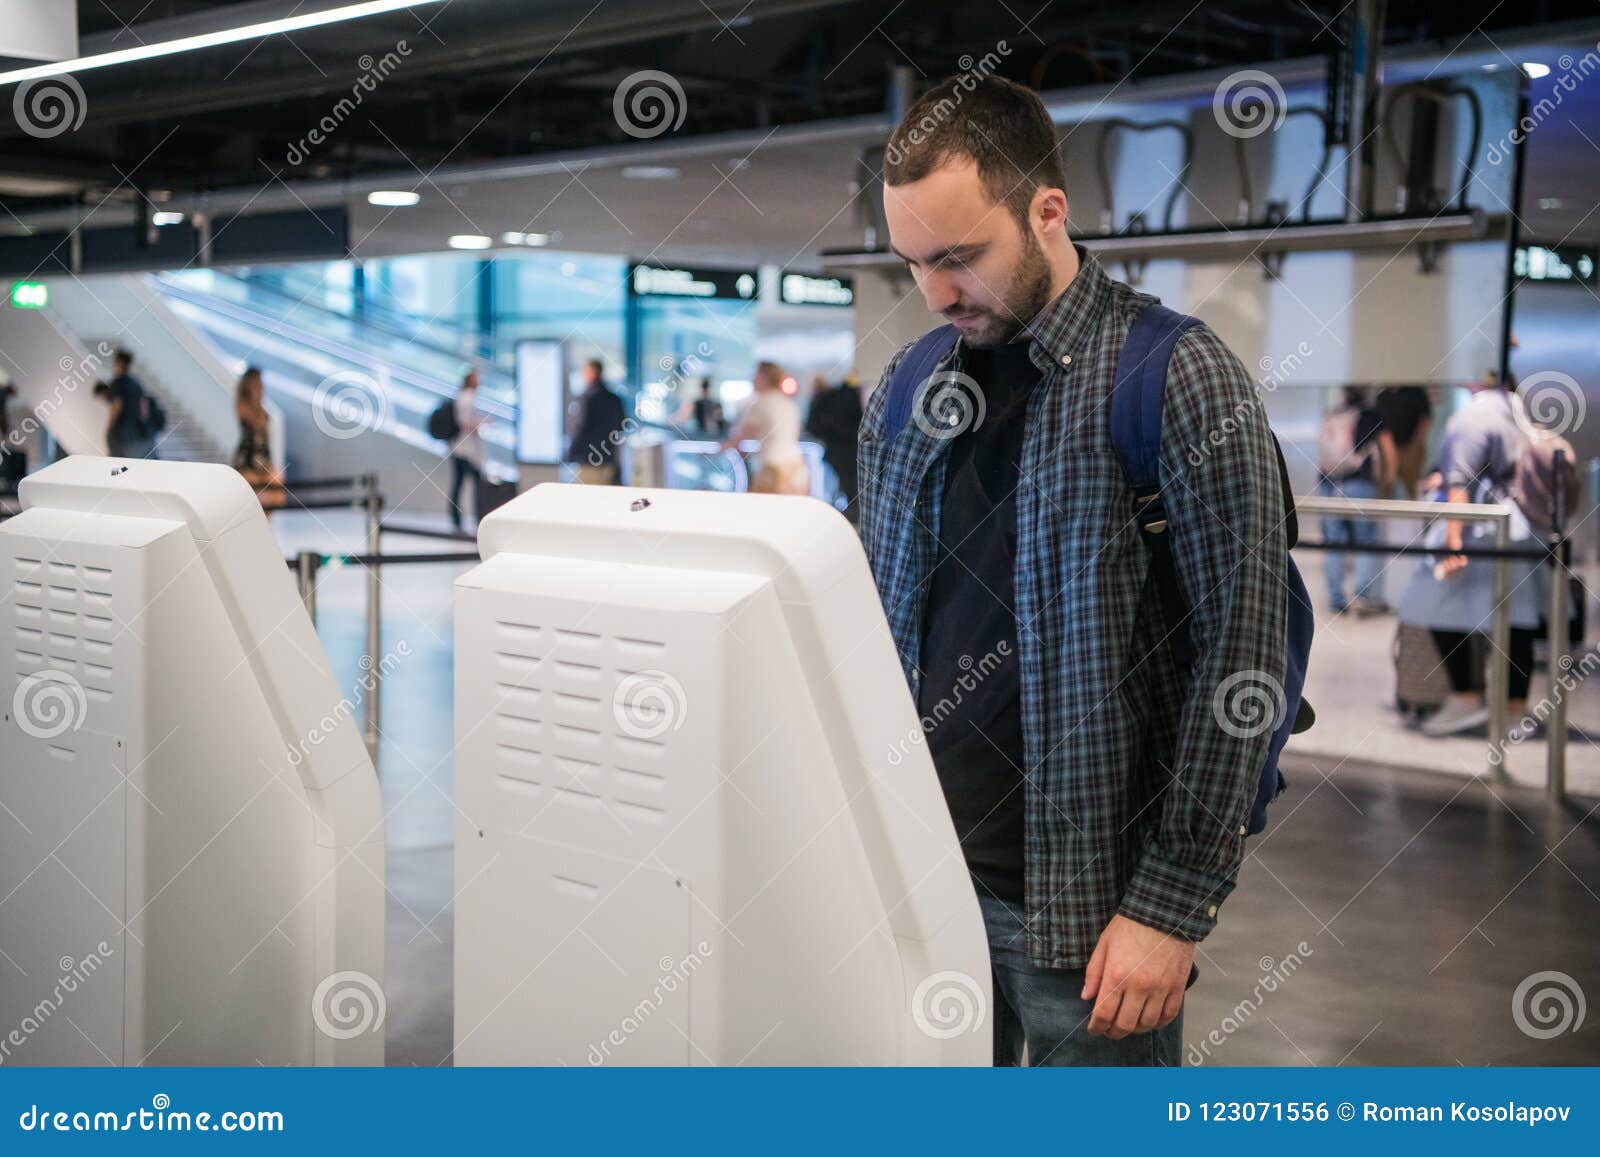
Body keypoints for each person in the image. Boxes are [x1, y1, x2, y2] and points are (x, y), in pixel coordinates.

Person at [858, 76, 1287, 1066]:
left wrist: (1171, 905)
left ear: (1047, 211)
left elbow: (1244, 661)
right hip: (919, 890)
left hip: (1088, 918)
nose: (935, 292)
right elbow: (873, 631)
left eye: (960, 257)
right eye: (914, 263)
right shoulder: (909, 385)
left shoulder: (1173, 378)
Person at [1398, 373, 1545, 739]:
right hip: (1518, 530)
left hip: (1482, 530)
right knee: (1515, 619)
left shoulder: (1473, 417)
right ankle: (1514, 708)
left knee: (1439, 606)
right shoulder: (1517, 410)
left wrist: (1453, 543)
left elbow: (1459, 486)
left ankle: (1466, 698)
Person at [1316, 386, 1395, 615]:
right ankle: (1361, 596)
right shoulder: (1371, 416)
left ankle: (1336, 599)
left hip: (1331, 484)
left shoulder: (1333, 414)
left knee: (1334, 543)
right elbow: (1388, 450)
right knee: (1364, 541)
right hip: (1360, 484)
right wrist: (1388, 483)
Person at [724, 361, 808, 495]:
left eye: (756, 375)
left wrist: (718, 450)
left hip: (773, 469)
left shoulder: (760, 403)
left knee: (765, 506)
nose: (753, 379)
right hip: (797, 468)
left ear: (765, 377)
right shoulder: (789, 403)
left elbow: (741, 438)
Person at [804, 371, 864, 516]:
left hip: (837, 449)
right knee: (850, 484)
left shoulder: (827, 399)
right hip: (849, 448)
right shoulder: (849, 396)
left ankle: (849, 510)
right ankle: (852, 511)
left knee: (845, 484)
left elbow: (812, 426)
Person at [567, 358, 627, 485]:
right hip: (608, 458)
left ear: (592, 373)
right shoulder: (614, 399)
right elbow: (622, 425)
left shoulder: (586, 399)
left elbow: (580, 427)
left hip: (588, 460)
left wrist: (570, 453)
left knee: (587, 494)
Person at [232, 366, 285, 509]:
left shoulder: (262, 408)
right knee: (254, 495)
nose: (260, 386)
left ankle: (265, 520)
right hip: (247, 459)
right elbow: (255, 424)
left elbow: (264, 439)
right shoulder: (243, 406)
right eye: (257, 382)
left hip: (263, 458)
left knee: (278, 492)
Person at [446, 368, 489, 531]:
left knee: (459, 484)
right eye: (477, 378)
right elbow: (464, 423)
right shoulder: (467, 398)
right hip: (465, 450)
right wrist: (481, 424)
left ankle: (459, 519)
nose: (479, 381)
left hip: (459, 448)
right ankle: (478, 518)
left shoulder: (461, 396)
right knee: (473, 484)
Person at [1374, 385, 1432, 499]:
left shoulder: (1416, 392)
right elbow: (1382, 431)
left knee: (1414, 490)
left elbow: (1425, 420)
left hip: (1413, 450)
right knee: (1386, 487)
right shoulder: (1382, 396)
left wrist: (1414, 448)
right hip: (1389, 450)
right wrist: (1391, 457)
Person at [103, 349, 157, 459]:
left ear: (118, 362)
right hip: (134, 428)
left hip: (121, 428)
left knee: (116, 459)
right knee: (129, 457)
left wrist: (110, 425)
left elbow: (117, 404)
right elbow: (144, 406)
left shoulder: (118, 381)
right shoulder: (135, 382)